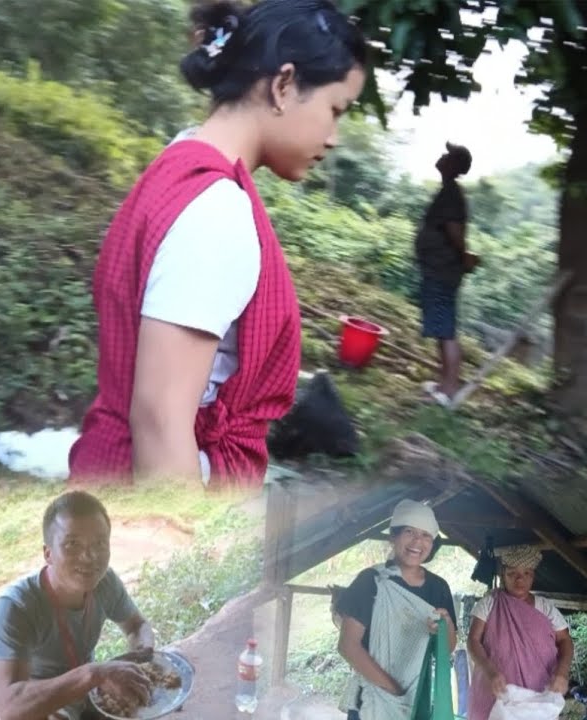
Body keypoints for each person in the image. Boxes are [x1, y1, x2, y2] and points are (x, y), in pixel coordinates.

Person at [67, 0, 368, 488]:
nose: (333, 138)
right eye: (334, 110)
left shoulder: (181, 163)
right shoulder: (215, 211)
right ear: (284, 85)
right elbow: (162, 429)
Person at [0, 491, 157, 720]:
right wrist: (94, 673)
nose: (89, 557)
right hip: (44, 705)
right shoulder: (16, 606)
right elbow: (9, 707)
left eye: (100, 543)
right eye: (72, 544)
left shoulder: (105, 582)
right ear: (48, 554)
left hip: (92, 693)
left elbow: (137, 625)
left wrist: (142, 656)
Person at [336, 500, 458, 720]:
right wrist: (394, 691)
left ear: (432, 543)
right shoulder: (372, 582)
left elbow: (446, 648)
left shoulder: (438, 588)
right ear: (393, 536)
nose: (417, 542)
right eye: (409, 531)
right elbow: (348, 645)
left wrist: (446, 625)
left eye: (425, 535)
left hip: (416, 696)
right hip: (373, 697)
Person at [466, 545, 575, 720]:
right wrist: (490, 671)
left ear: (533, 577)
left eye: (527, 574)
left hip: (537, 696)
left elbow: (565, 640)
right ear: (503, 575)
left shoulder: (545, 608)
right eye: (512, 574)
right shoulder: (489, 604)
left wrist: (562, 672)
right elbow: (473, 640)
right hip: (495, 692)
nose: (520, 580)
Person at [414, 142, 476, 407]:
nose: (441, 156)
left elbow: (454, 230)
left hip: (443, 271)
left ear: (454, 164)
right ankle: (443, 384)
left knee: (446, 329)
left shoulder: (452, 192)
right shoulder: (448, 191)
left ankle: (449, 391)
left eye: (447, 155)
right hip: (437, 269)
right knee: (441, 327)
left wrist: (465, 255)